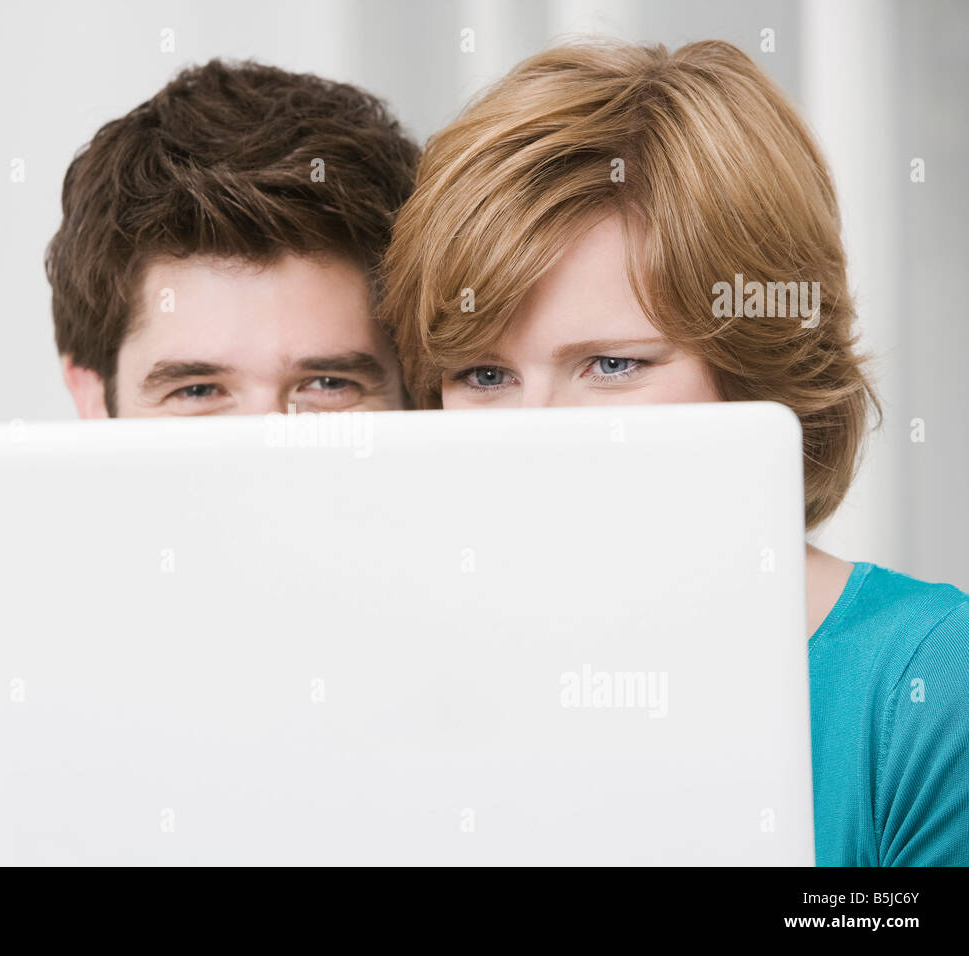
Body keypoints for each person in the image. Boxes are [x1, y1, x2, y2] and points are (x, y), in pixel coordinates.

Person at [0, 59, 419, 865]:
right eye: (198, 389)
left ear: (419, 390)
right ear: (92, 400)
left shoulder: (517, 659)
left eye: (330, 382)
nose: (266, 453)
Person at [382, 38, 969, 866]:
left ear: (758, 372)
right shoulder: (407, 686)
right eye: (484, 374)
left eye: (613, 365)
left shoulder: (927, 686)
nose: (535, 437)